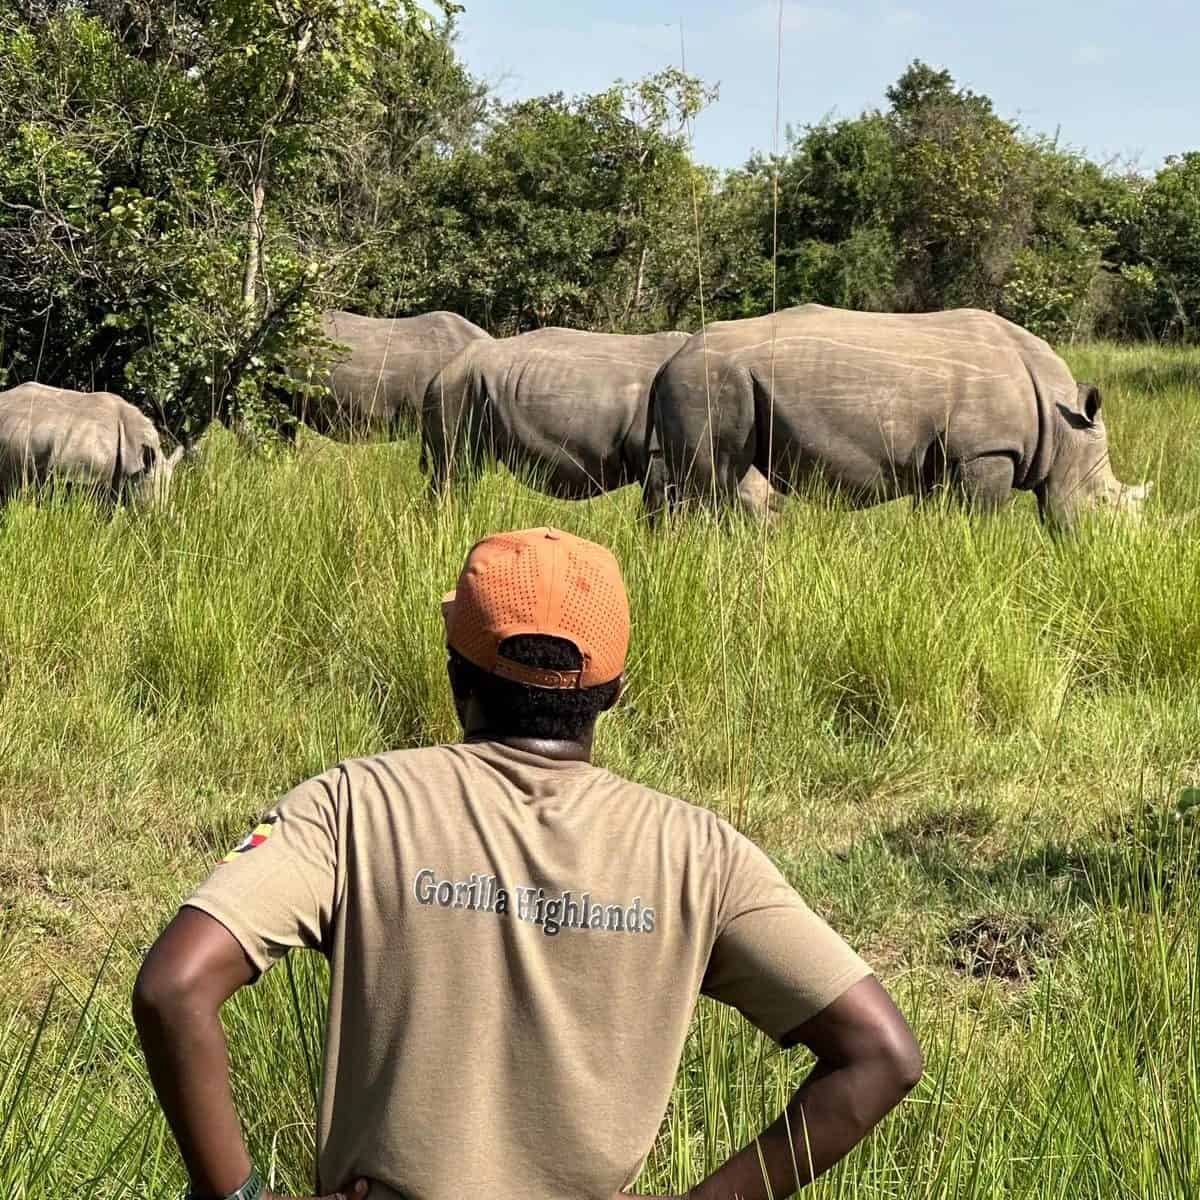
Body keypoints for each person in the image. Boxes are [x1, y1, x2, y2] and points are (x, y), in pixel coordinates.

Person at [133, 526, 922, 1200]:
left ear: (455, 678)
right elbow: (882, 1055)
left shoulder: (353, 805)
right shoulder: (700, 853)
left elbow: (174, 987)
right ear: (612, 692)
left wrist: (237, 1196)